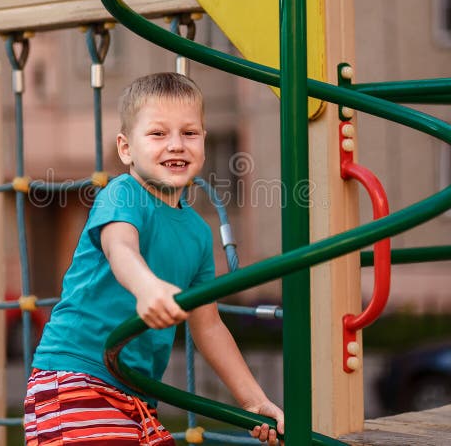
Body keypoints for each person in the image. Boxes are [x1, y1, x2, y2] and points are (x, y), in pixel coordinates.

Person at [25, 72, 284, 446]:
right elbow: (120, 249)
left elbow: (208, 325)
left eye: (189, 133)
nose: (176, 145)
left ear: (204, 141)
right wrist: (147, 287)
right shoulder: (122, 195)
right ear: (126, 148)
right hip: (76, 379)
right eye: (158, 134)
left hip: (137, 396)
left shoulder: (197, 232)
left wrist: (253, 401)